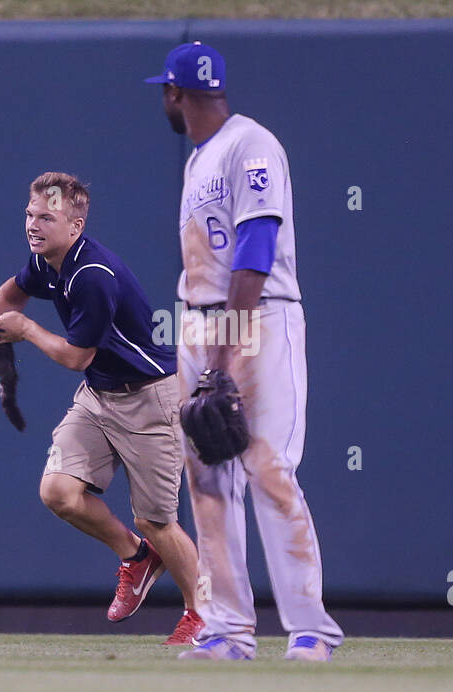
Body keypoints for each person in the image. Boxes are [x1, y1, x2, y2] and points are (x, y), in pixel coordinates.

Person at [143, 43, 344, 660]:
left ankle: (311, 628)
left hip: (255, 318)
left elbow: (257, 247)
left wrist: (223, 358)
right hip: (202, 324)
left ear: (178, 94)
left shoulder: (250, 143)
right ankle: (227, 628)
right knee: (206, 481)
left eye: (165, 92)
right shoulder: (201, 158)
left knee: (267, 468)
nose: (164, 101)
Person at [0, 172, 203, 645]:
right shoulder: (47, 261)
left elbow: (74, 357)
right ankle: (136, 557)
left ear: (76, 226)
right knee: (58, 492)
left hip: (150, 398)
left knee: (156, 521)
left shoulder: (92, 276)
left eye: (47, 217)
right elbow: (12, 289)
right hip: (100, 395)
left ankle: (203, 615)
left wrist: (24, 328)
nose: (33, 225)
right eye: (29, 215)